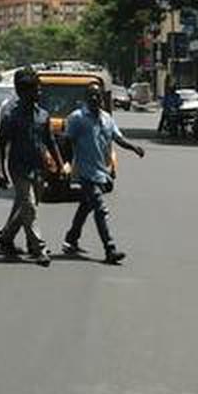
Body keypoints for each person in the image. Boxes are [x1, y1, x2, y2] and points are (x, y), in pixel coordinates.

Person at [62, 83, 145, 264]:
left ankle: (71, 238)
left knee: (86, 206)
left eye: (97, 96)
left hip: (102, 171)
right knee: (100, 208)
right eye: (91, 95)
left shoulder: (107, 118)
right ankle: (110, 248)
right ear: (85, 98)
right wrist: (66, 164)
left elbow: (118, 138)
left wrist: (134, 148)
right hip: (85, 172)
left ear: (102, 98)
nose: (94, 99)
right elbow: (67, 141)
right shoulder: (77, 118)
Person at [0, 68, 61, 267]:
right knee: (29, 206)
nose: (39, 93)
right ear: (25, 92)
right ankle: (38, 248)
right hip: (19, 167)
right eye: (36, 90)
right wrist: (0, 170)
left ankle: (6, 237)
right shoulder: (11, 116)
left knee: (27, 207)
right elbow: (1, 144)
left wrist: (59, 165)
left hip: (39, 167)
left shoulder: (43, 115)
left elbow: (50, 142)